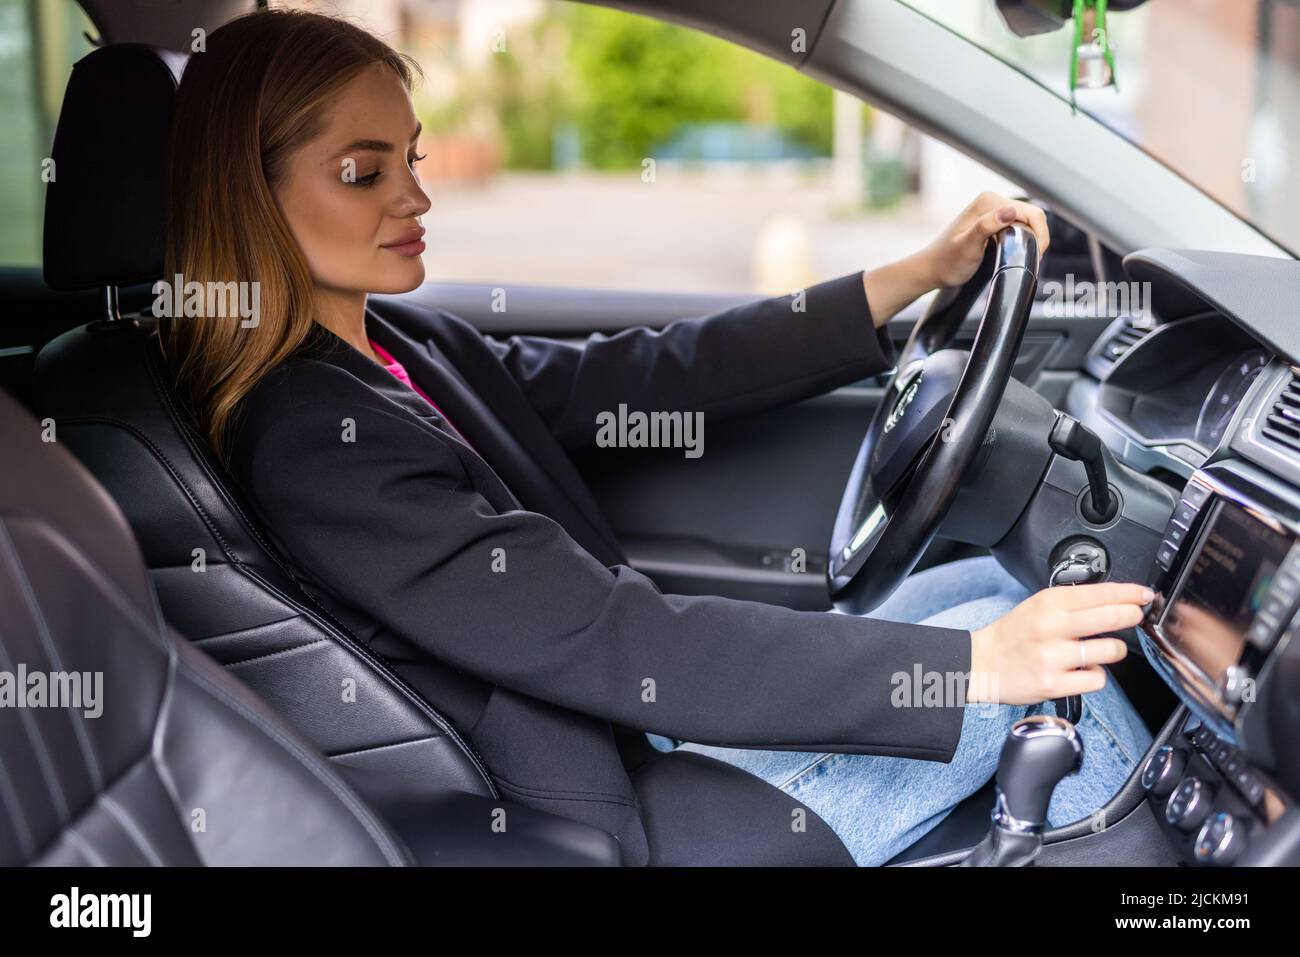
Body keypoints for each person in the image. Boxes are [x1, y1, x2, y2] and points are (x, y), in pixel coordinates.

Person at [162, 9, 1152, 866]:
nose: (414, 197)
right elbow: (606, 635)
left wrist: (910, 274)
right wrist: (972, 670)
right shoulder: (316, 447)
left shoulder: (398, 345)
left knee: (1008, 589)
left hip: (632, 721)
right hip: (607, 793)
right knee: (1082, 678)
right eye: (361, 172)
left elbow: (646, 374)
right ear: (252, 194)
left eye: (410, 159)